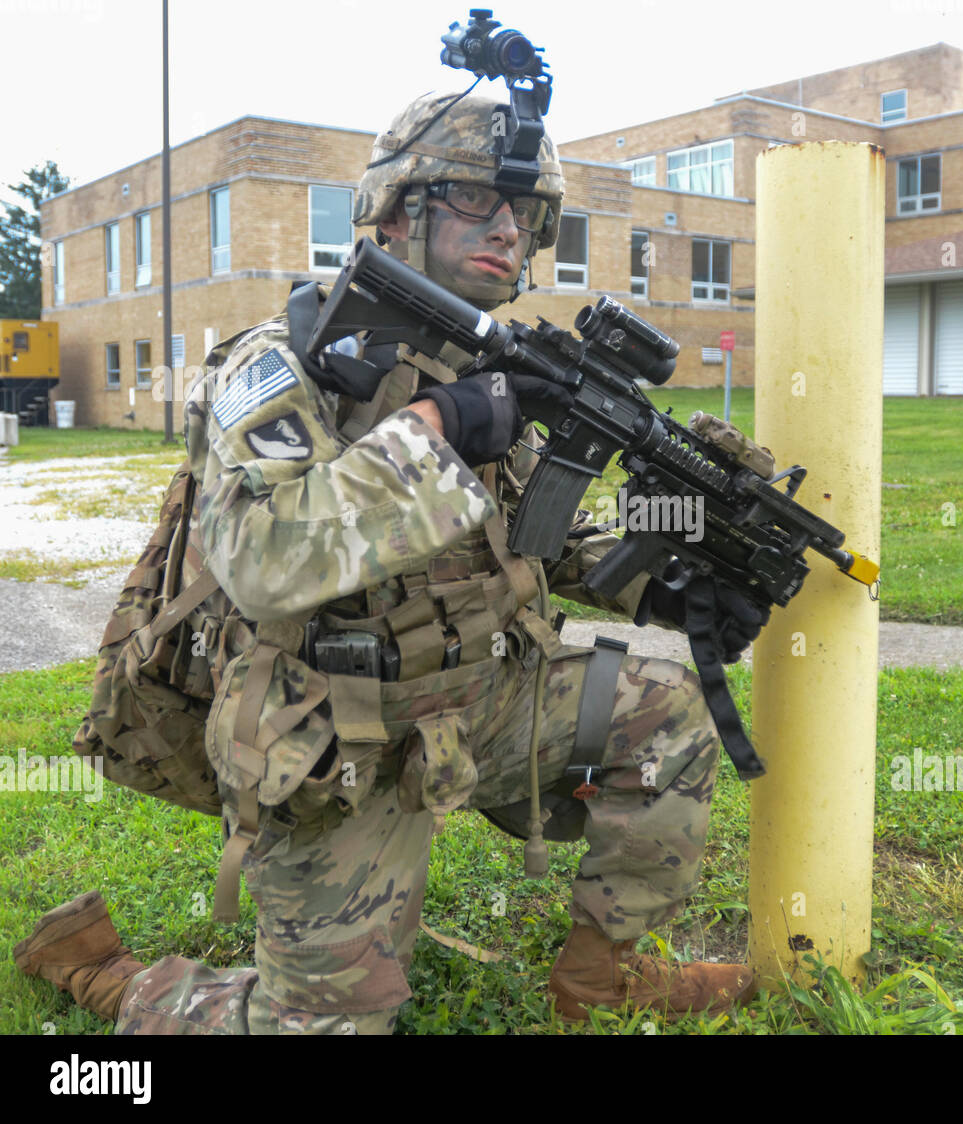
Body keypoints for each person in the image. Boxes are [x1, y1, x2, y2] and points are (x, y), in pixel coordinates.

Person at [15, 91, 768, 1033]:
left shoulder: (479, 367)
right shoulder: (284, 360)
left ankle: (601, 980)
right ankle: (105, 973)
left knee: (669, 714)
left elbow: (536, 536)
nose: (508, 229)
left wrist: (661, 585)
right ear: (399, 207)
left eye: (529, 215)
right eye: (475, 201)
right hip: (334, 742)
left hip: (478, 704)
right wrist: (440, 428)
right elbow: (266, 560)